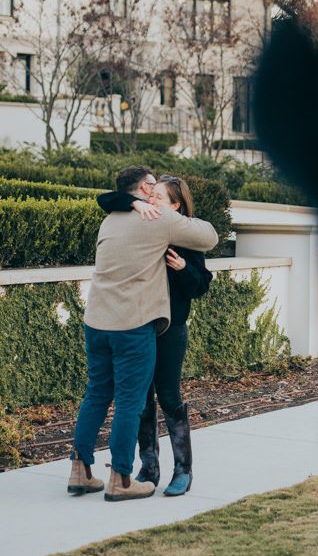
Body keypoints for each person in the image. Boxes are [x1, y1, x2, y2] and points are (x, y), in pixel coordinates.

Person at [68, 165, 218, 502]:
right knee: (132, 403)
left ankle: (80, 470)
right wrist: (141, 205)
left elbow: (107, 199)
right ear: (144, 188)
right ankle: (124, 477)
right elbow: (210, 235)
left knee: (98, 395)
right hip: (133, 325)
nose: (154, 193)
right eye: (152, 188)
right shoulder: (157, 219)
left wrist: (182, 269)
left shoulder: (111, 218)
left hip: (98, 322)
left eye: (161, 193)